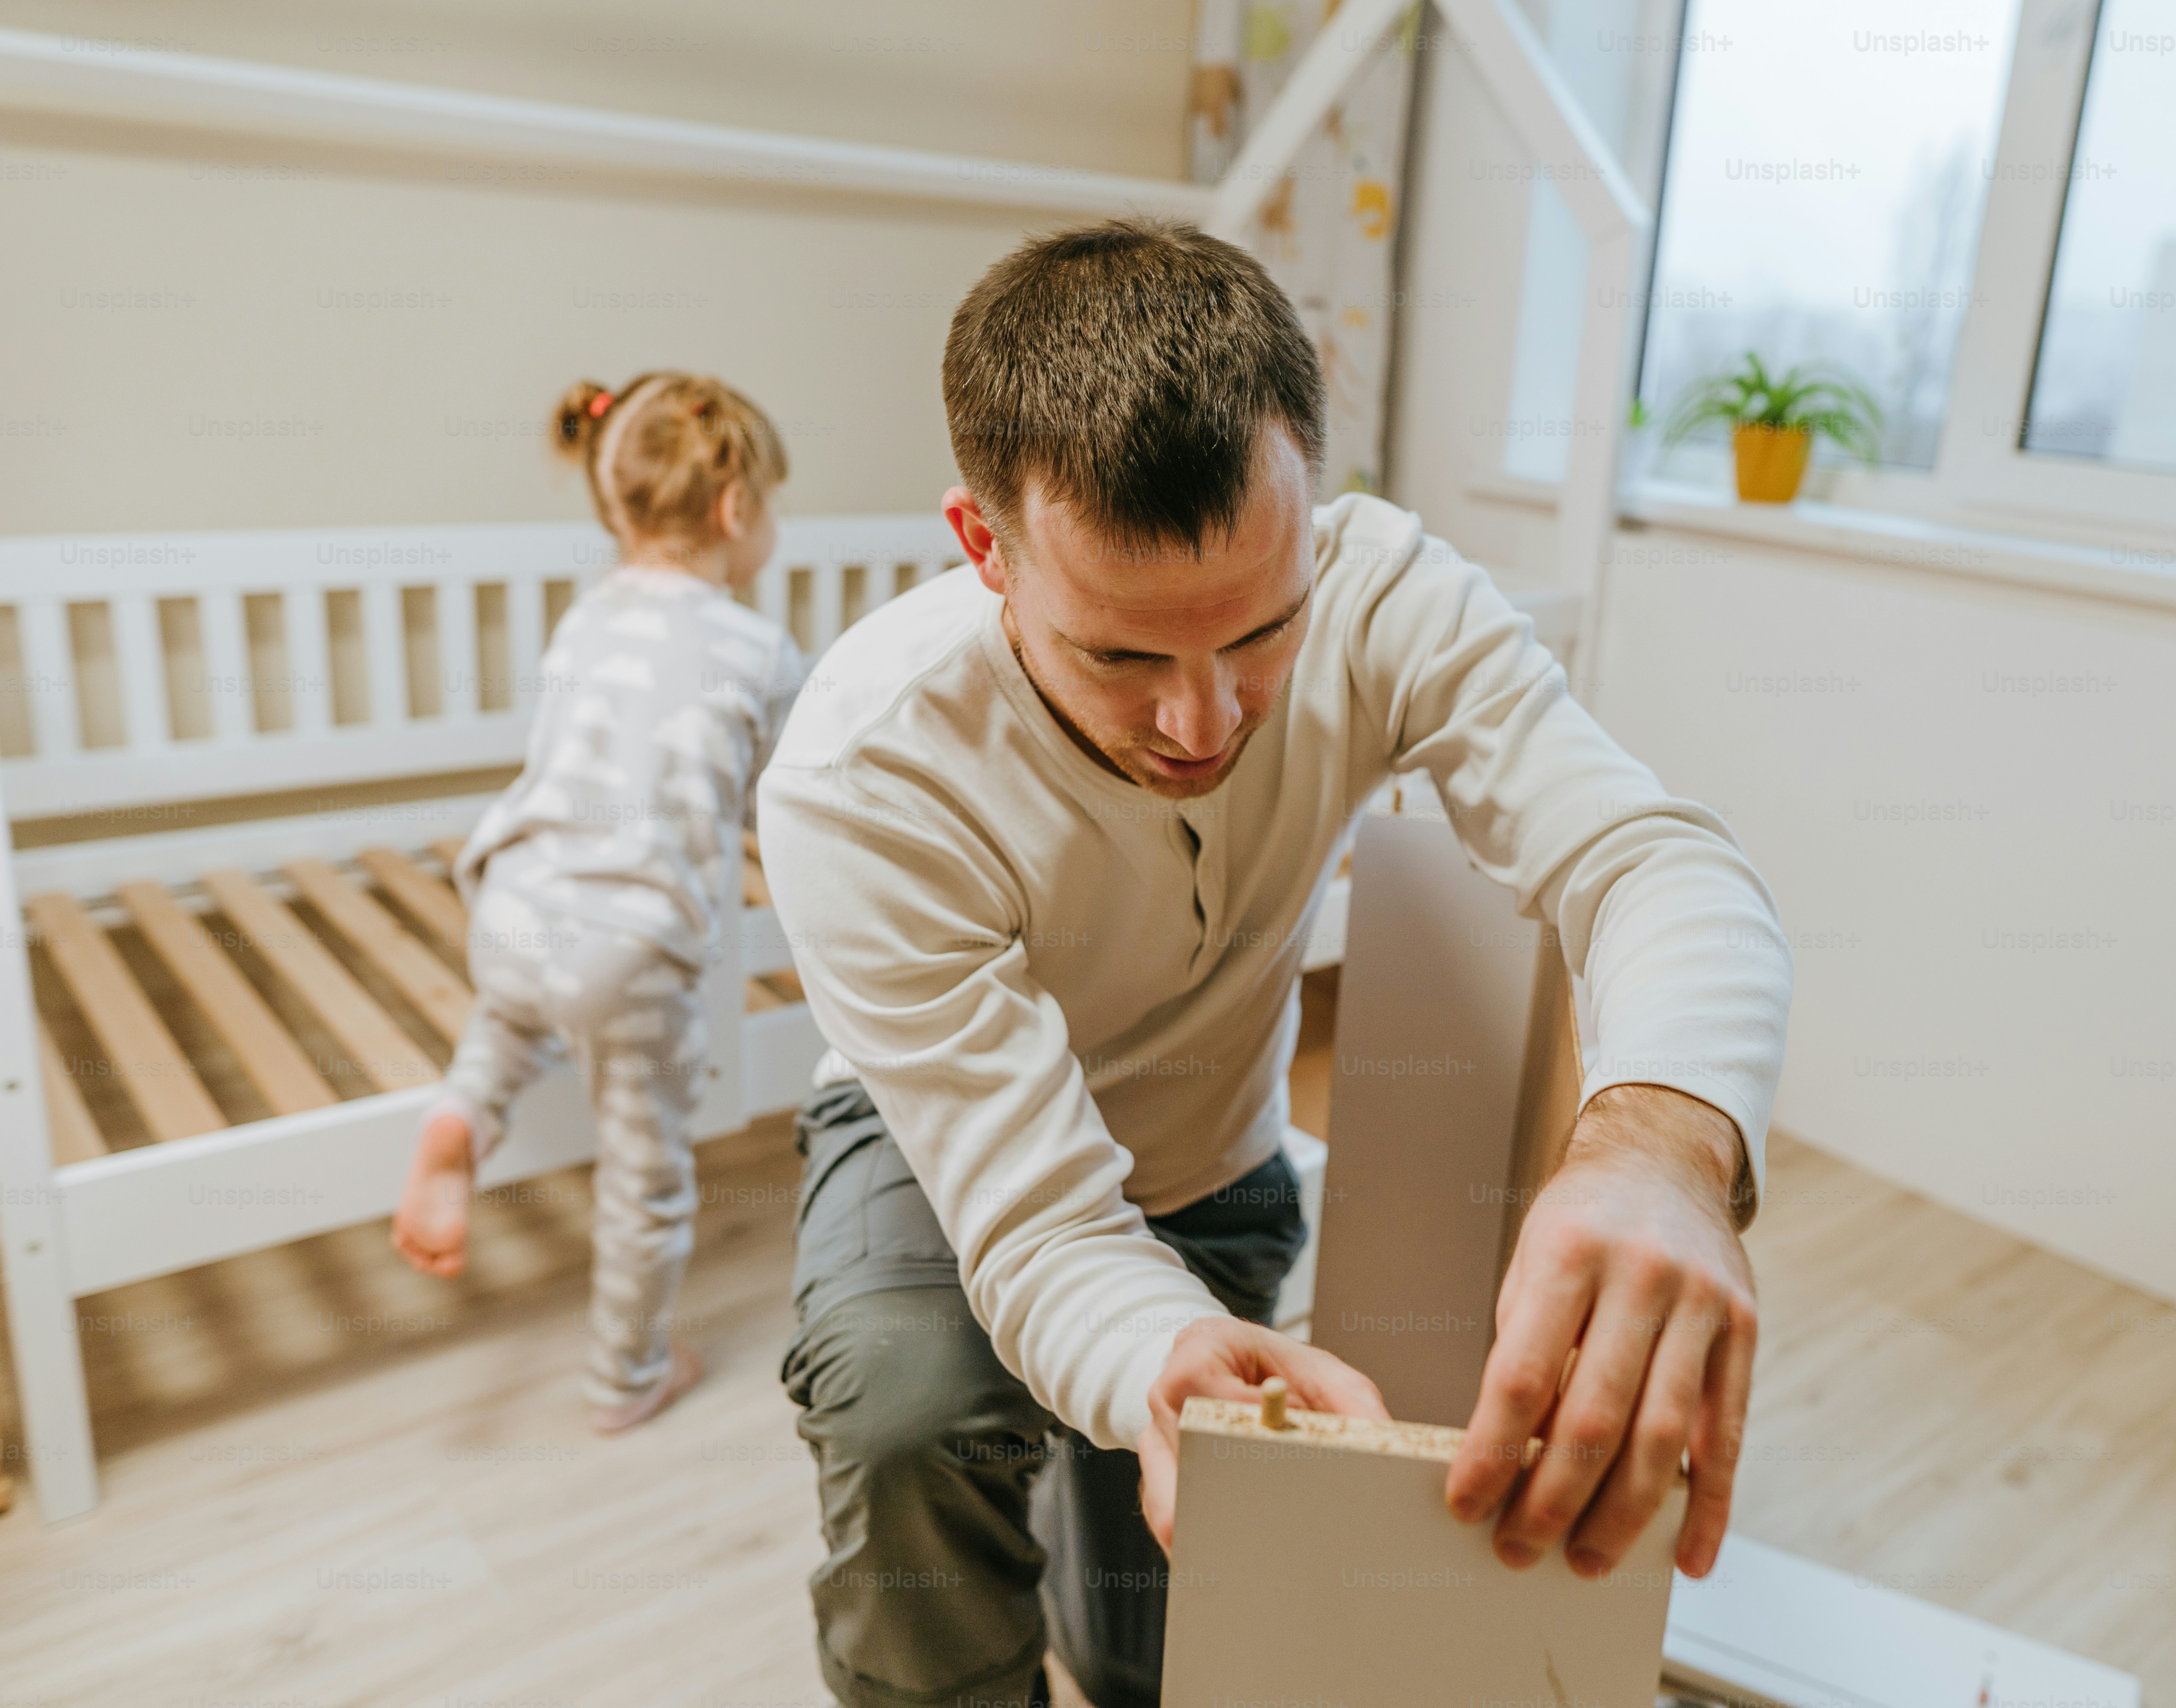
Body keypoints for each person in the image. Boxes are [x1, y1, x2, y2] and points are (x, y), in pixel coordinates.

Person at [758, 220, 1792, 1708]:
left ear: (1314, 509)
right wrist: (1146, 1340)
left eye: (1262, 631)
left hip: (1211, 1142)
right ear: (983, 547)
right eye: (1121, 657)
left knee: (1170, 1630)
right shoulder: (865, 771)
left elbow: (1652, 858)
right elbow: (1040, 1228)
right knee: (913, 1419)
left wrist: (1658, 1150)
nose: (1203, 724)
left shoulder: (1386, 592)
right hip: (941, 1147)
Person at [391, 371, 807, 1433]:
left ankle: (458, 1119)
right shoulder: (759, 650)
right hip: (628, 939)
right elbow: (792, 797)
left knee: (508, 1019)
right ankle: (628, 1373)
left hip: (516, 895)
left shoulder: (586, 616)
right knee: (644, 1169)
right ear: (735, 511)